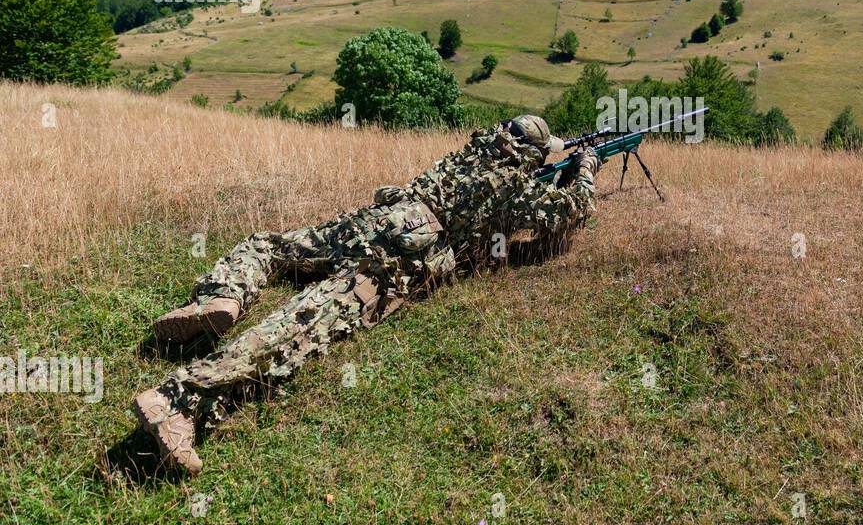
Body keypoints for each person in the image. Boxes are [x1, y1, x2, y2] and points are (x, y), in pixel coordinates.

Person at [133, 115, 600, 474]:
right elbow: (571, 210)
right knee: (303, 323)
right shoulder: (515, 186)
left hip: (378, 220)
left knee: (272, 246)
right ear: (531, 155)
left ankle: (221, 299)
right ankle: (175, 401)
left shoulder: (468, 154)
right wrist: (586, 168)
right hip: (404, 253)